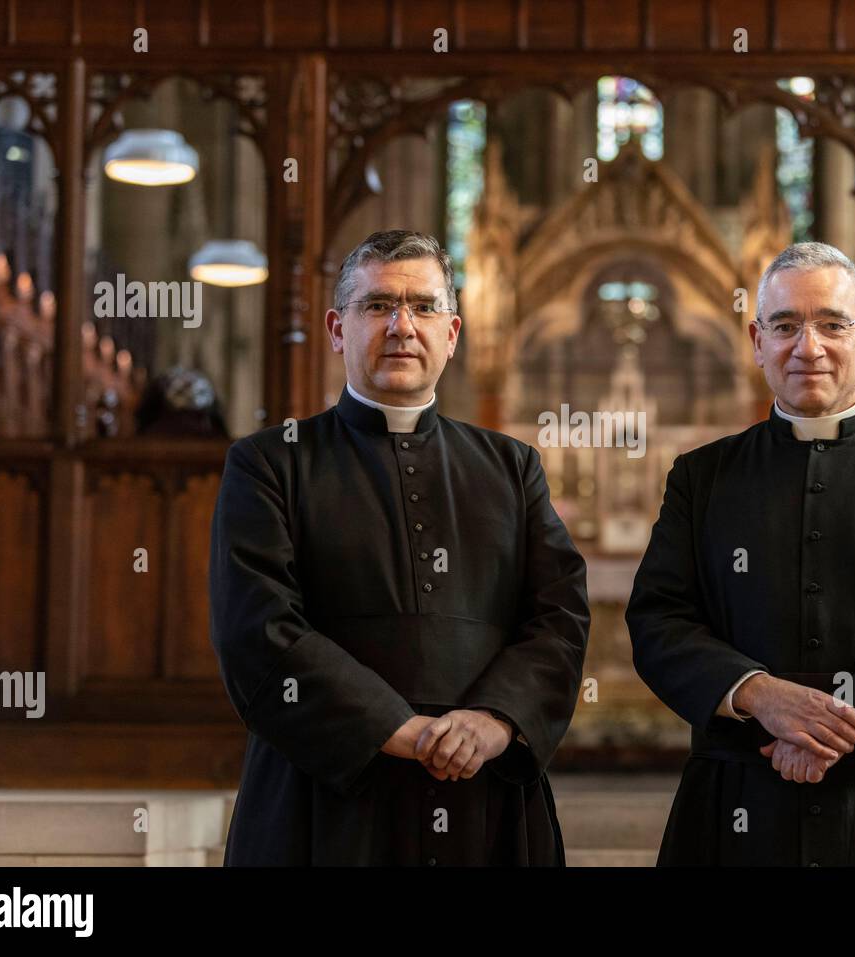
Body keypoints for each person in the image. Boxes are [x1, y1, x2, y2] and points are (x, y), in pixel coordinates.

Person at [209, 229, 589, 865]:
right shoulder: (270, 463)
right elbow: (257, 627)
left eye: (423, 307)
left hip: (483, 787)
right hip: (324, 794)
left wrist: (495, 722)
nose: (402, 326)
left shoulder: (510, 467)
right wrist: (400, 730)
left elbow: (559, 618)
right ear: (337, 328)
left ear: (453, 333)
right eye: (378, 306)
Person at [626, 242, 855, 866]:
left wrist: (834, 725)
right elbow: (659, 620)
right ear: (757, 341)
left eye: (832, 323)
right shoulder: (703, 477)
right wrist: (757, 694)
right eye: (785, 326)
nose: (808, 347)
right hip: (741, 799)